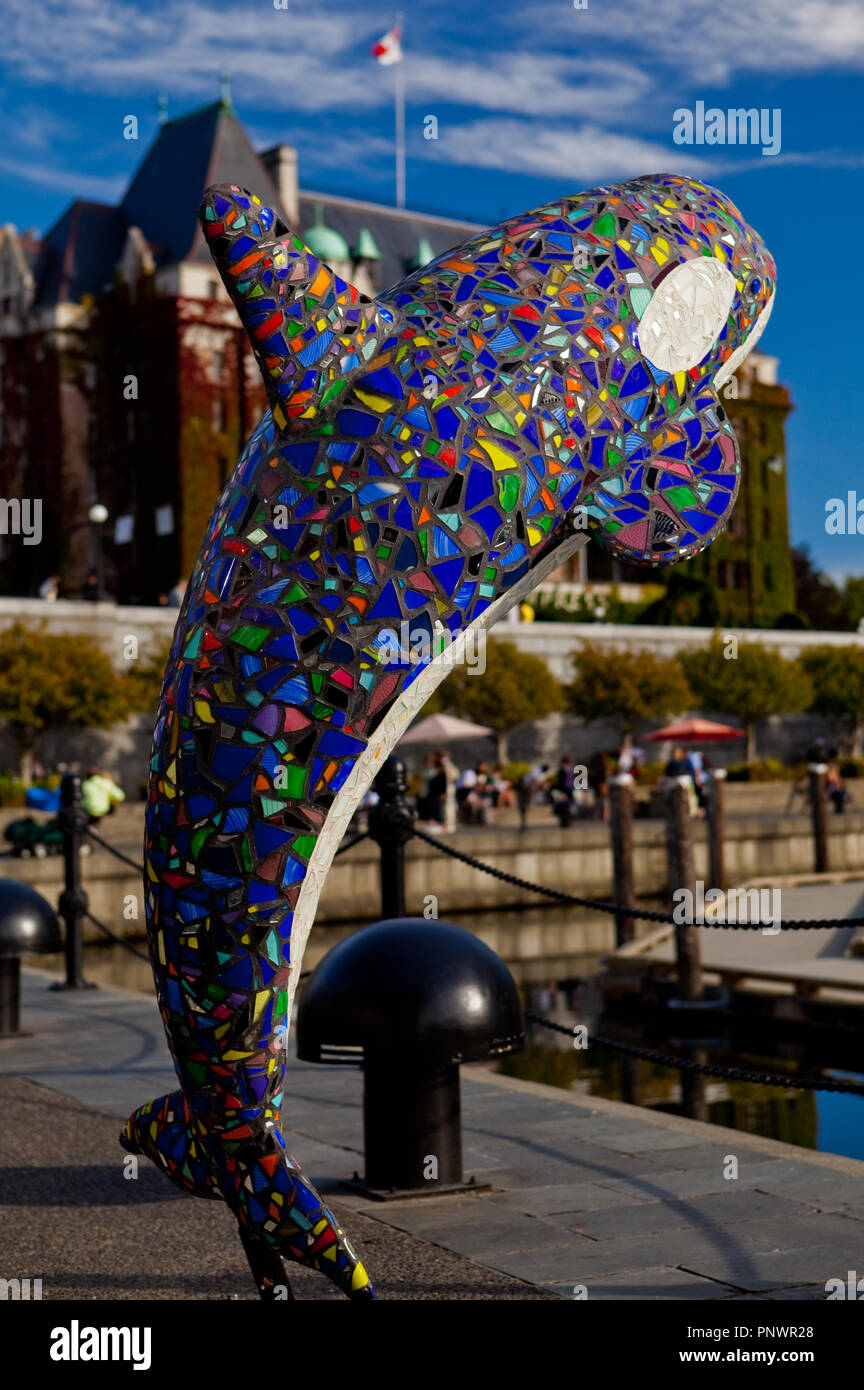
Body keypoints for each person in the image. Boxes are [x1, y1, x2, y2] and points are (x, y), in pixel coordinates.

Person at [550, 755, 576, 828]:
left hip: (567, 791)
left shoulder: (565, 771)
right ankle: (565, 822)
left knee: (565, 807)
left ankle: (566, 822)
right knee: (564, 807)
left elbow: (560, 782)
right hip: (567, 791)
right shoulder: (569, 771)